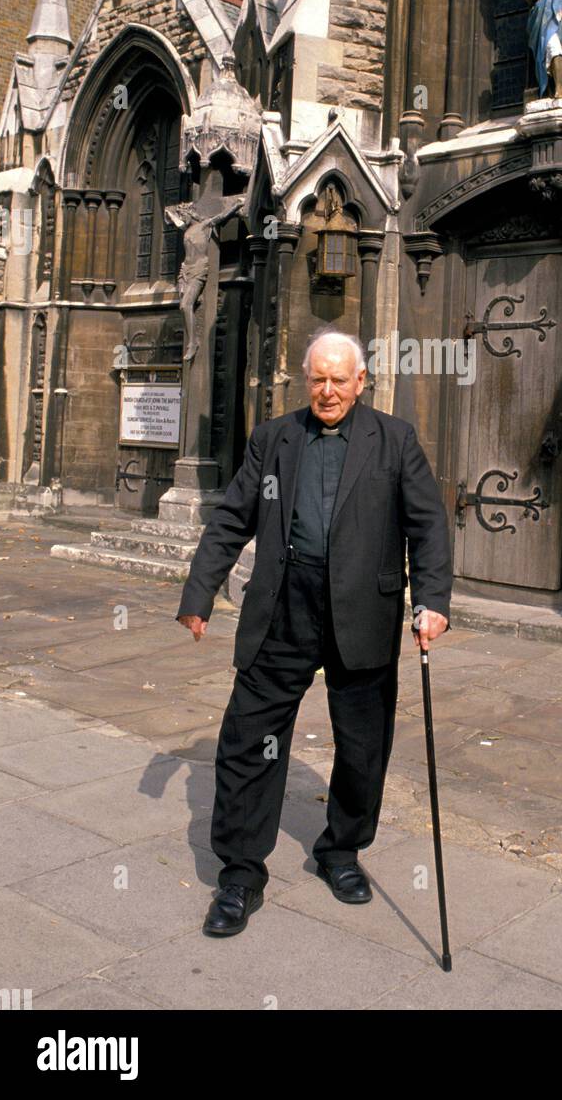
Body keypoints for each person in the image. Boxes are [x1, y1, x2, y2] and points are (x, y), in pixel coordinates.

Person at [176, 327, 453, 936]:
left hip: (364, 611)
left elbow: (428, 526)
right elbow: (233, 517)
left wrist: (432, 602)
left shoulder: (395, 441)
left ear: (361, 381)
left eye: (339, 379)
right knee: (249, 738)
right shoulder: (276, 438)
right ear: (307, 381)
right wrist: (200, 592)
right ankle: (241, 875)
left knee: (362, 743)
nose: (328, 391)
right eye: (317, 379)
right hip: (284, 605)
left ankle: (341, 851)